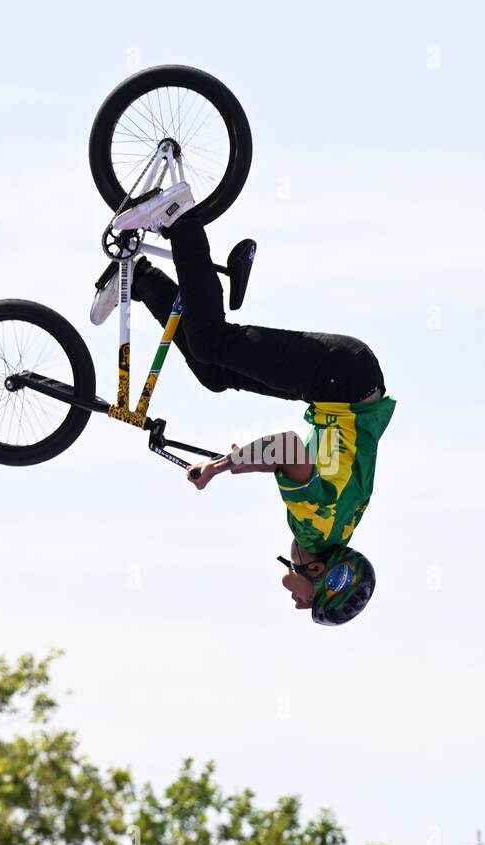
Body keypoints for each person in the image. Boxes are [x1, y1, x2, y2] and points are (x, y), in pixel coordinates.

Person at [91, 182, 395, 626]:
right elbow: (290, 449)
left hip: (343, 385)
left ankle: (141, 279)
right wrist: (218, 467)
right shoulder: (315, 528)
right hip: (340, 379)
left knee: (214, 373)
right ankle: (180, 219)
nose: (297, 603)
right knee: (213, 341)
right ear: (319, 574)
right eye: (308, 602)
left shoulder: (334, 532)